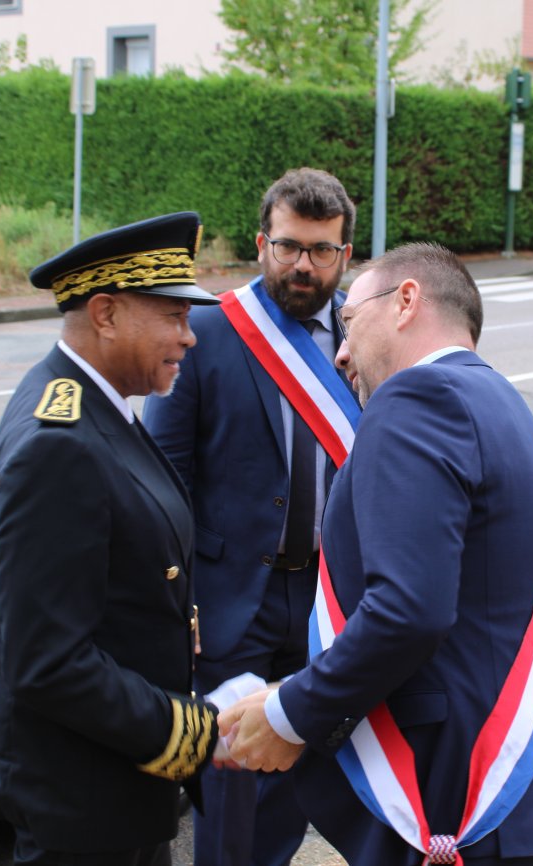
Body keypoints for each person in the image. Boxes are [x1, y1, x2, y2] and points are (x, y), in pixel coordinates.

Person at [217, 243, 533, 866]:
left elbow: (409, 610)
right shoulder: (497, 400)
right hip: (505, 767)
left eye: (349, 321)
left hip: (446, 781)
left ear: (407, 301)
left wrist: (291, 715)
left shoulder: (416, 400)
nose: (338, 353)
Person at [0, 212, 222, 865]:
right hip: (82, 812)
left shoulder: (96, 405)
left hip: (116, 792)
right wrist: (194, 733)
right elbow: (48, 662)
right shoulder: (60, 444)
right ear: (106, 314)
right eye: (173, 316)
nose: (189, 338)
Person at [141, 168, 360, 866]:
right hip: (230, 596)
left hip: (327, 595)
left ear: (344, 255)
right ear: (262, 243)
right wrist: (182, 599)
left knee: (298, 771)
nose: (303, 265)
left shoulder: (368, 334)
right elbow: (162, 479)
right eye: (289, 246)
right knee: (231, 784)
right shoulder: (208, 332)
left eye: (321, 250)